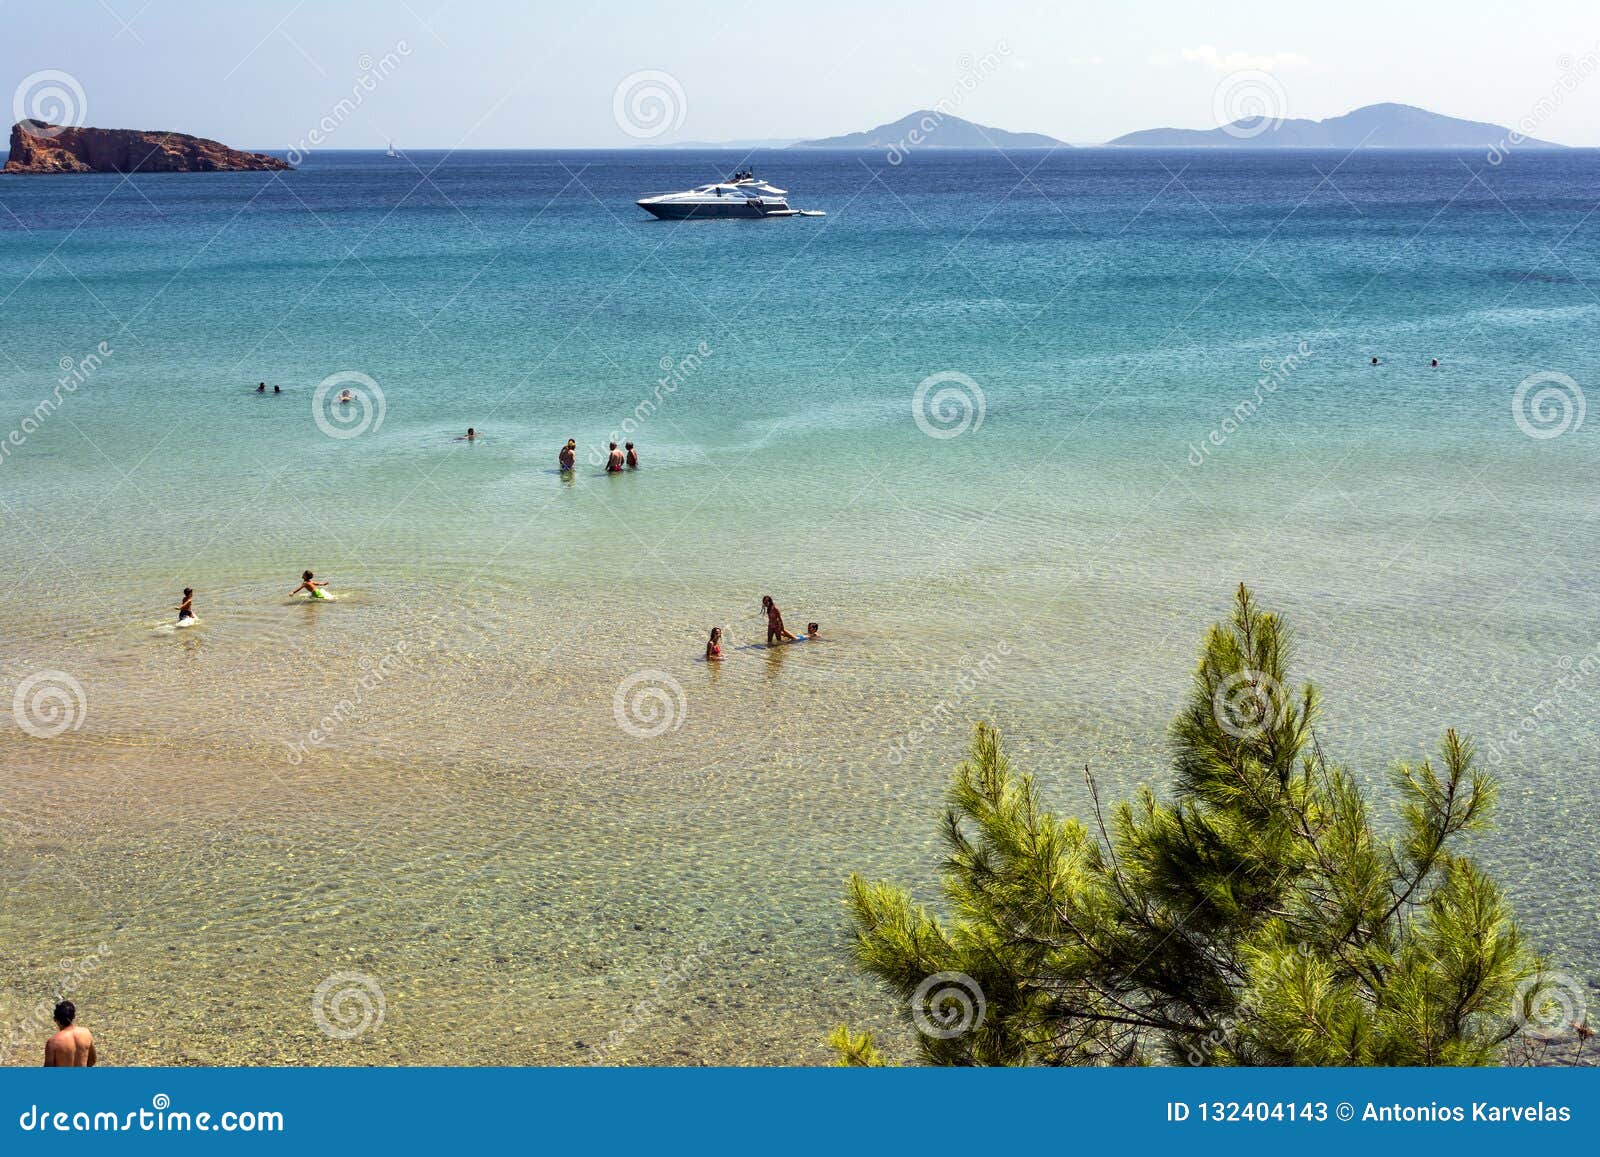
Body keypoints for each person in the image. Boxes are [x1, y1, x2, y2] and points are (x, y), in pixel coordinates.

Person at [43, 1001, 95, 1067]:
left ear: (55, 1019)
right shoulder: (86, 1033)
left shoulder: (53, 1042)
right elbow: (92, 1060)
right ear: (74, 1016)